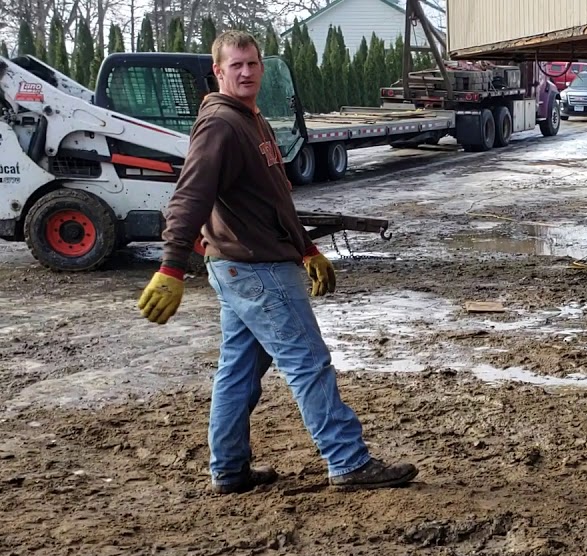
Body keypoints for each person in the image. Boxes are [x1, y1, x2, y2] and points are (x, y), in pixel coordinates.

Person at [137, 31, 418, 494]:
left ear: (261, 68)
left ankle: (229, 470)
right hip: (256, 269)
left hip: (246, 265)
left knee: (238, 372)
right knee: (309, 362)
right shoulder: (220, 125)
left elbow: (275, 198)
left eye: (252, 63)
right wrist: (171, 266)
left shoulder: (253, 120)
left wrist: (306, 247)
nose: (246, 72)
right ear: (218, 72)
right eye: (236, 65)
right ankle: (348, 461)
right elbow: (189, 196)